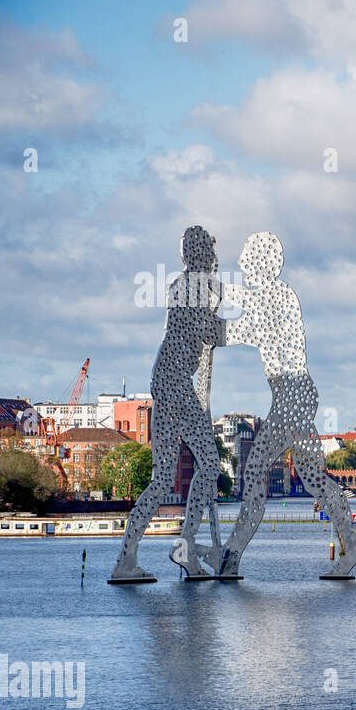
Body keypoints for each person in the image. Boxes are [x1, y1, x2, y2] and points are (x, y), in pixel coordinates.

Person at [205, 232, 356, 577]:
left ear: (265, 264)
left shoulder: (276, 295)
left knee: (253, 473)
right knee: (313, 477)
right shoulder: (274, 297)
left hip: (291, 394)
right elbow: (243, 321)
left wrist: (205, 294)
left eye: (248, 259)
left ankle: (231, 556)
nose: (242, 264)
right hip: (295, 393)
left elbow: (239, 327)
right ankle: (355, 539)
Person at [110, 227, 225, 582]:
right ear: (200, 254)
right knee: (209, 463)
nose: (214, 258)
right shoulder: (191, 287)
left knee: (162, 479)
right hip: (175, 384)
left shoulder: (185, 286)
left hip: (167, 381)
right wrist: (221, 306)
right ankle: (185, 546)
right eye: (210, 250)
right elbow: (214, 334)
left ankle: (126, 560)